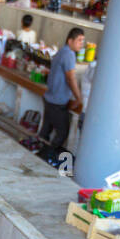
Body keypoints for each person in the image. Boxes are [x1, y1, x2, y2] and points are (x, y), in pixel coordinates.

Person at [37, 29, 84, 161]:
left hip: (50, 97)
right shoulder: (69, 54)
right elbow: (71, 78)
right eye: (79, 40)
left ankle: (39, 154)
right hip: (57, 101)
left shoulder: (62, 51)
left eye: (82, 41)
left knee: (46, 129)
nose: (82, 44)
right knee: (62, 132)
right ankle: (46, 155)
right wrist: (79, 97)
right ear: (70, 41)